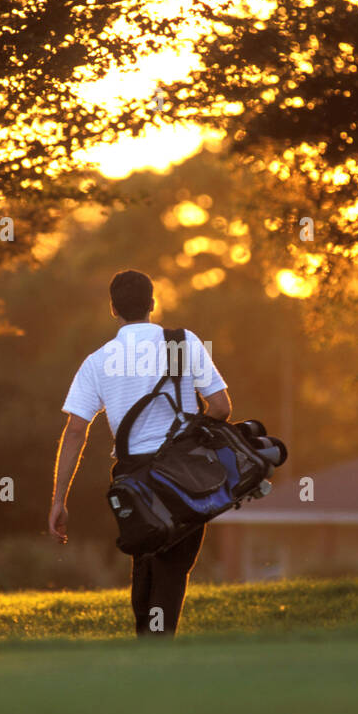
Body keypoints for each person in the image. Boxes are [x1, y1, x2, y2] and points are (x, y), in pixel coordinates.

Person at [49, 269, 231, 638]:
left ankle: (146, 644)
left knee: (146, 557)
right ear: (152, 303)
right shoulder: (183, 342)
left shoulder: (97, 361)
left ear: (113, 309)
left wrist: (58, 500)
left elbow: (75, 432)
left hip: (132, 478)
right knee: (173, 566)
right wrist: (191, 438)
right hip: (184, 472)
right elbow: (221, 407)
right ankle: (156, 648)